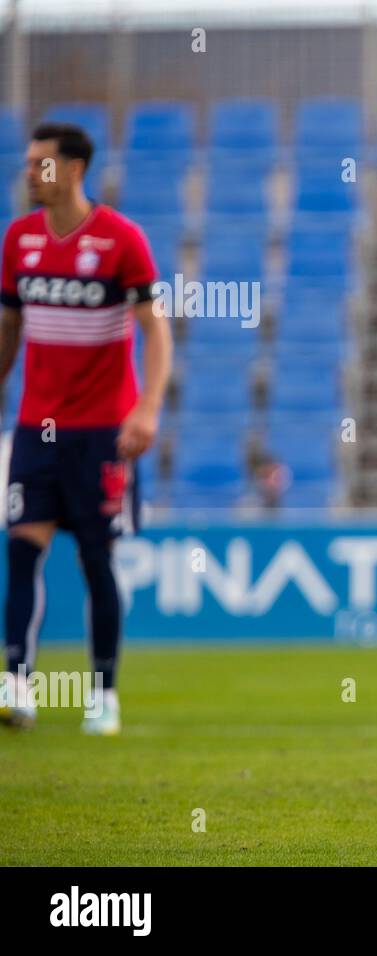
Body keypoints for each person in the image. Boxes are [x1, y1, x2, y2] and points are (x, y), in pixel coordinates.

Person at [0, 122, 172, 734]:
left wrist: (147, 407)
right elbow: (9, 328)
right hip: (35, 425)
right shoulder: (18, 240)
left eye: (39, 163)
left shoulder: (121, 239)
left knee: (97, 560)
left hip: (103, 431)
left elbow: (156, 328)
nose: (29, 173)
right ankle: (17, 683)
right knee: (22, 548)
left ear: (73, 169)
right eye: (25, 163)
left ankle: (103, 693)